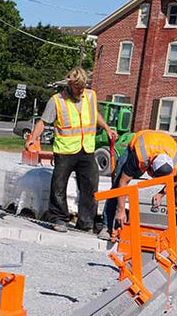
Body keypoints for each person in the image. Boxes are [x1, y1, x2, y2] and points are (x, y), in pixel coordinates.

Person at [27, 68, 116, 232]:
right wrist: (33, 138)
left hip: (86, 149)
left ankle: (86, 222)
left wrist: (107, 128)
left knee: (90, 186)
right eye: (77, 87)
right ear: (70, 84)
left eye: (83, 86)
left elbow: (95, 115)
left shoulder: (90, 96)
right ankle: (59, 218)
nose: (80, 90)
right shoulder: (57, 101)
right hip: (65, 151)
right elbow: (43, 122)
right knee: (59, 186)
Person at [101, 129, 177, 238]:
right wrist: (121, 210)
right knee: (117, 185)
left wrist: (161, 193)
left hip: (163, 143)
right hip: (141, 141)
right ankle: (107, 226)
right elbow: (123, 182)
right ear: (149, 166)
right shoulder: (139, 156)